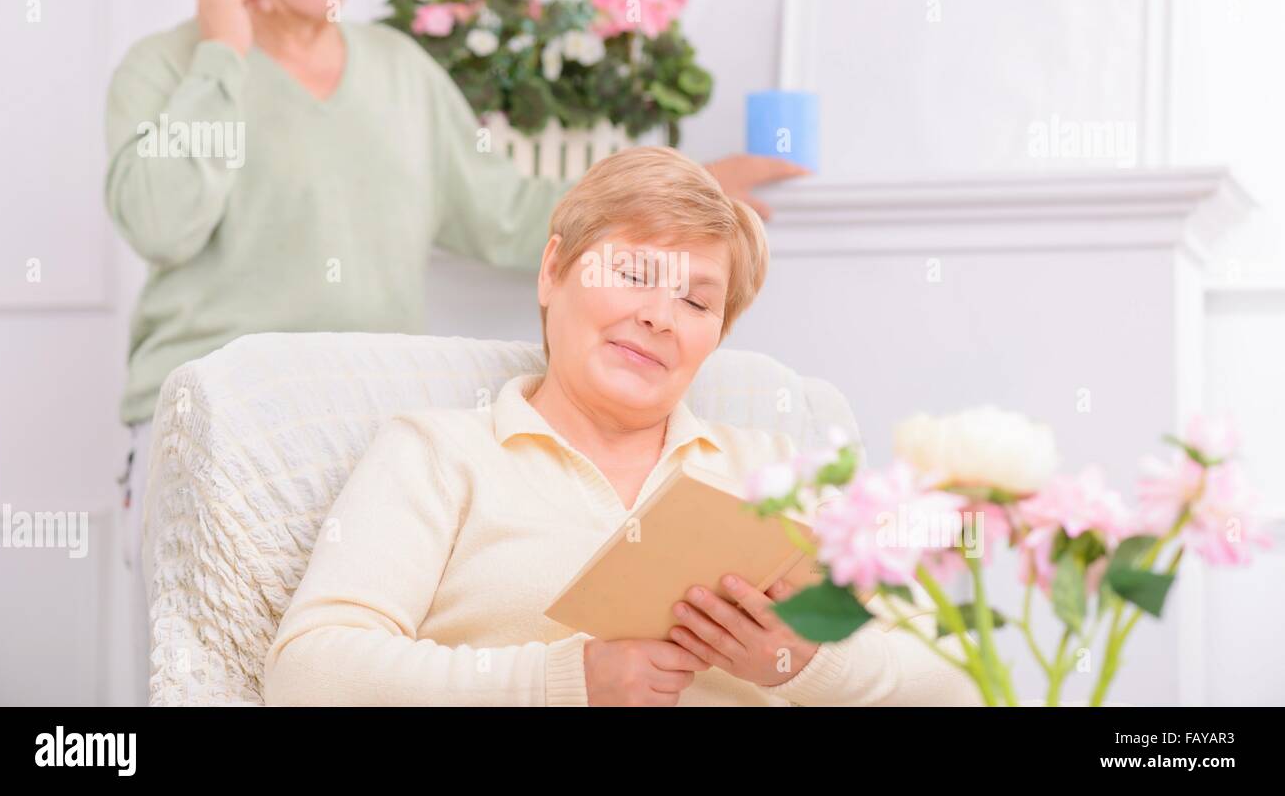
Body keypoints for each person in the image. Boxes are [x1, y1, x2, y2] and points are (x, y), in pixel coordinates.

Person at [105, 0, 806, 703]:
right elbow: (157, 220)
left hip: (358, 407)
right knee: (201, 668)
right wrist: (222, 53)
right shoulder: (167, 68)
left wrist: (690, 197)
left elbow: (513, 212)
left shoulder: (401, 68)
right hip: (220, 419)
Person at [263, 147, 982, 706]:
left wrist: (804, 662)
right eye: (634, 272)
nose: (660, 315)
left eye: (697, 302)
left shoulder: (779, 473)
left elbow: (959, 682)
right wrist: (562, 682)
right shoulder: (437, 453)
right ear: (554, 271)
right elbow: (309, 672)